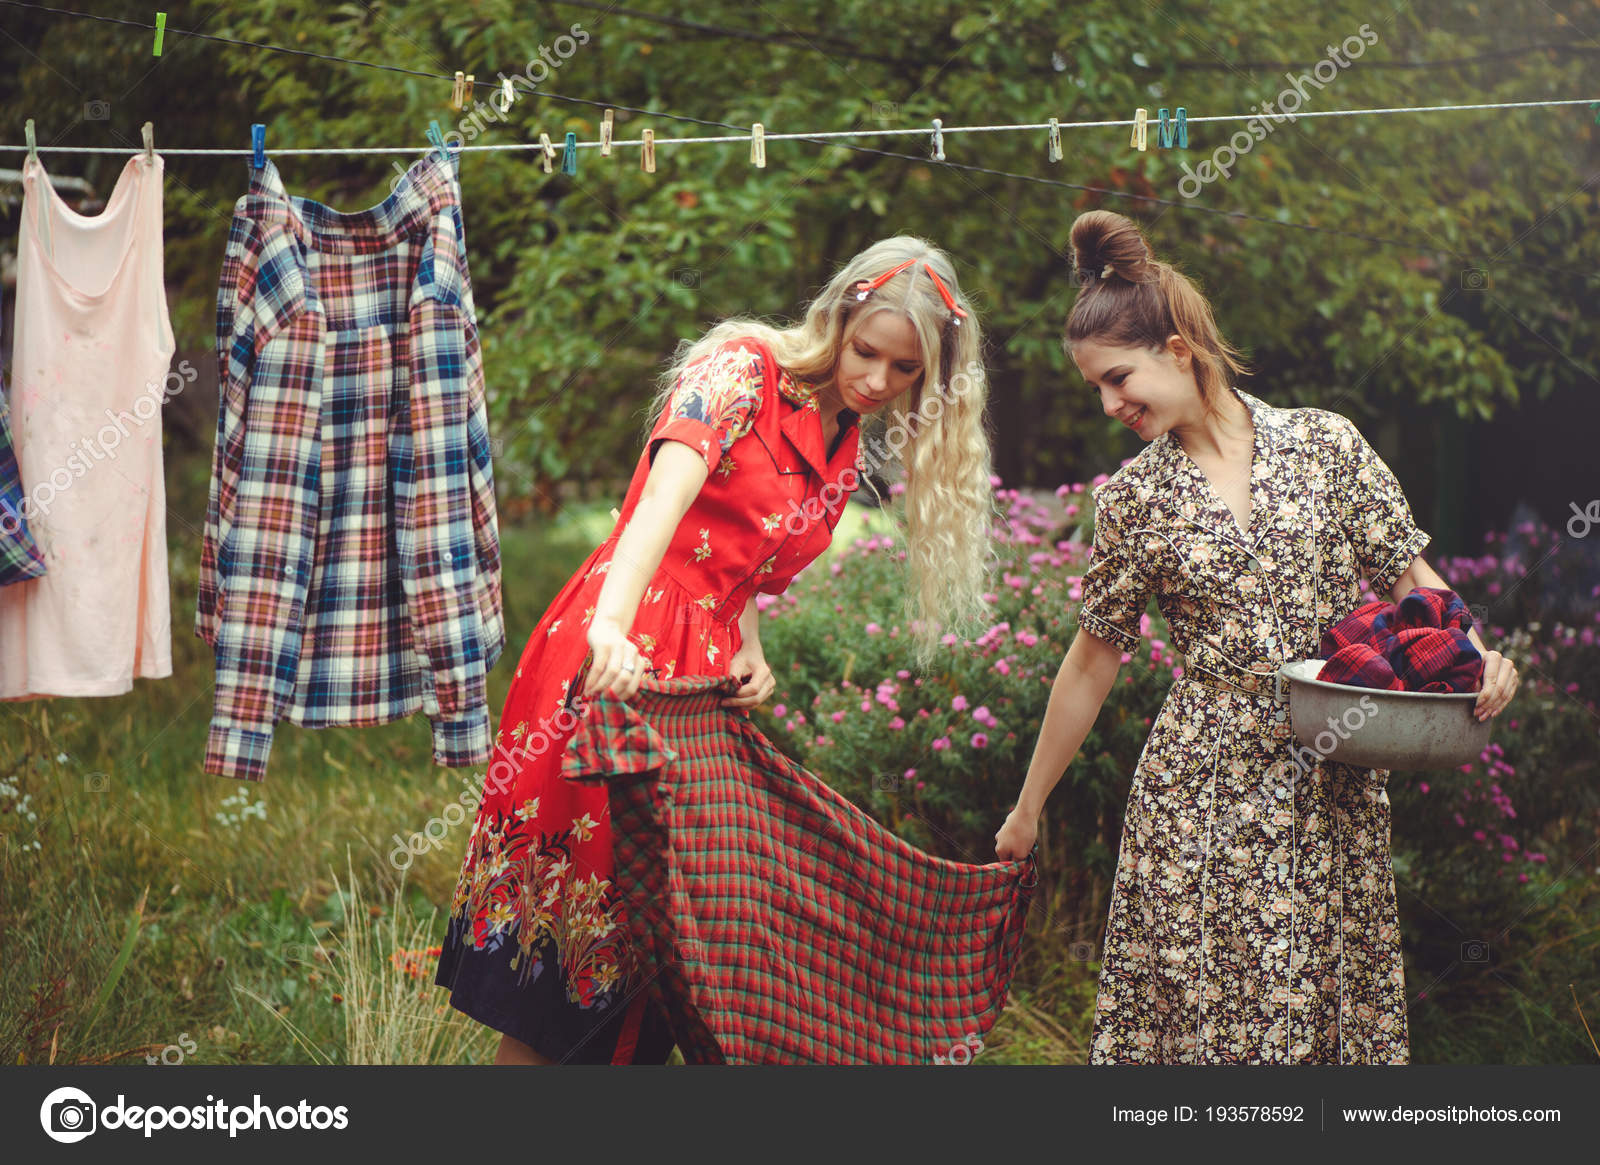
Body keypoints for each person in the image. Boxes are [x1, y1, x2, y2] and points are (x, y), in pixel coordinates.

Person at [434, 236, 996, 1064]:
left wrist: (751, 642)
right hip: (623, 638)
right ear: (837, 319)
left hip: (700, 681)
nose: (876, 379)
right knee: (573, 950)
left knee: (665, 945)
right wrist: (610, 631)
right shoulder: (740, 369)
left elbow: (746, 558)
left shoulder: (844, 440)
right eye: (866, 351)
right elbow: (662, 505)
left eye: (904, 369)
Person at [993, 210, 1519, 1064]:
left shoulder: (1325, 446)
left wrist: (1476, 661)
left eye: (1119, 378)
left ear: (1179, 349)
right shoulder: (1131, 499)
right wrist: (1027, 809)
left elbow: (1418, 590)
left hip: (1333, 772)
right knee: (1199, 1023)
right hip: (1199, 785)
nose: (1109, 404)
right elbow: (1092, 659)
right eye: (1096, 387)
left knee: (1322, 1012)